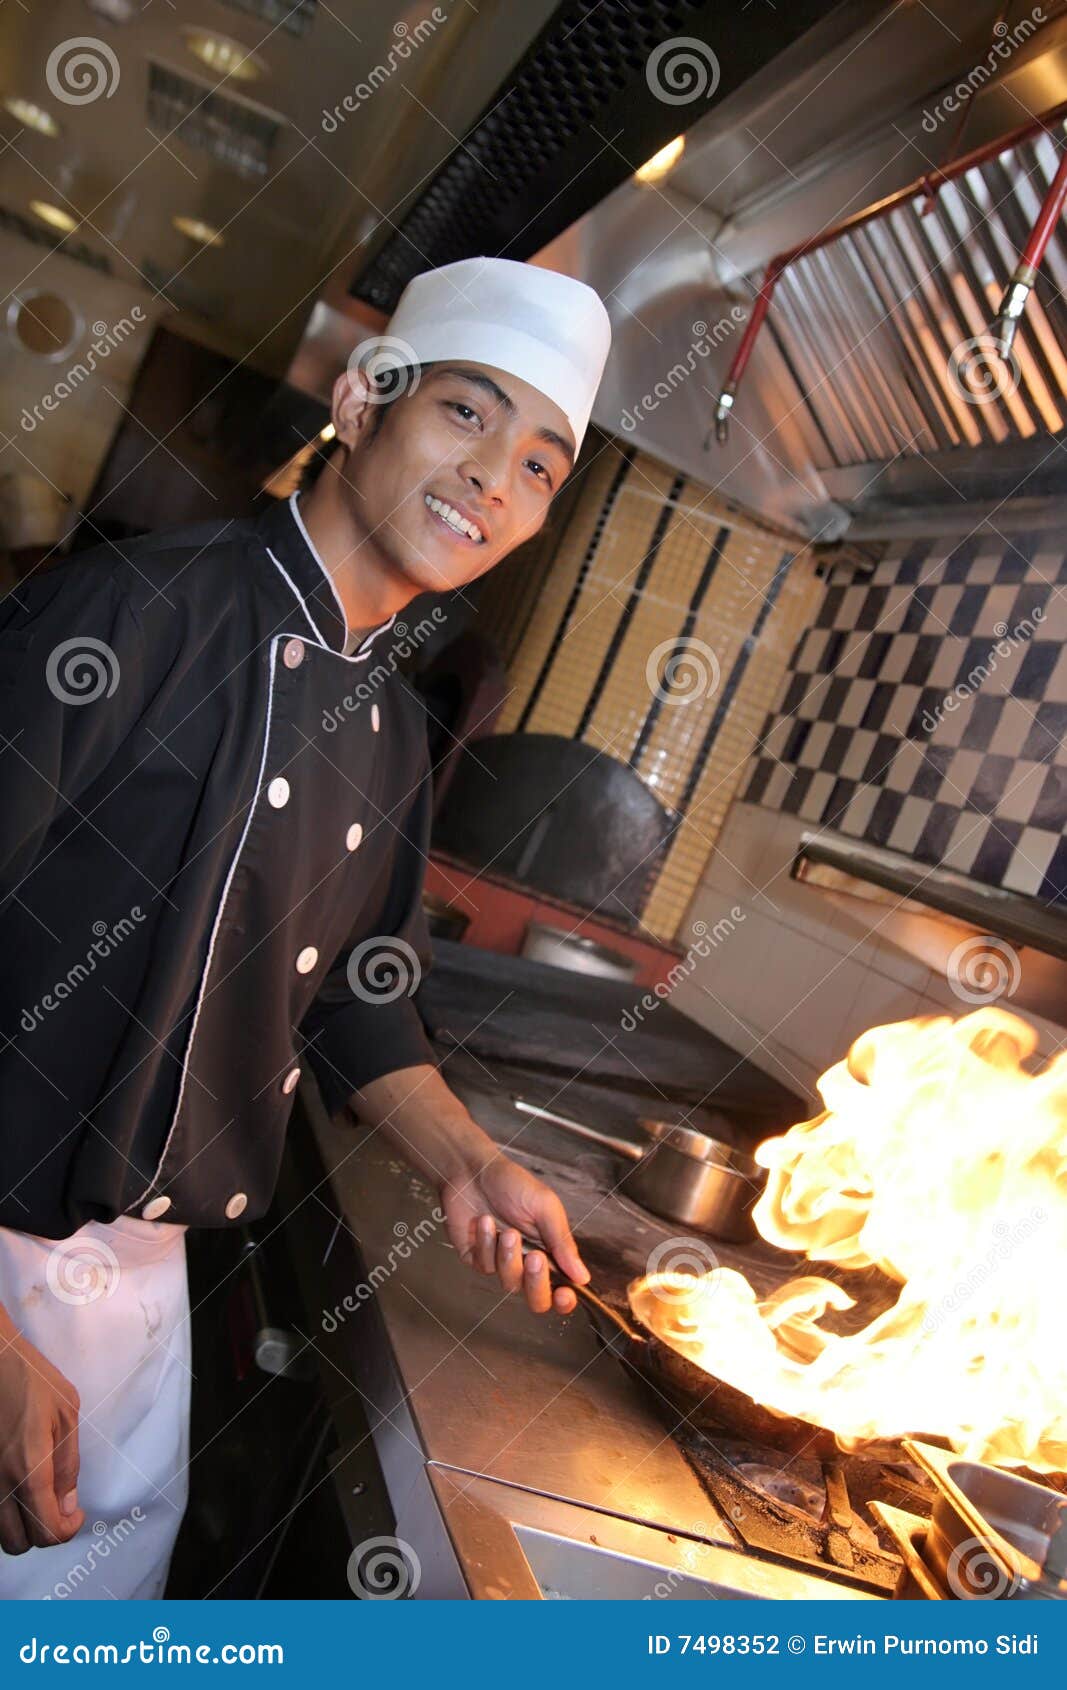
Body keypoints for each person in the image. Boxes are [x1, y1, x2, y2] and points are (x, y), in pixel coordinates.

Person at [0, 257, 612, 1598]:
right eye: (467, 413)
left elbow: (352, 1004)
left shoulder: (392, 736)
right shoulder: (129, 615)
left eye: (541, 464)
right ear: (359, 400)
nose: (494, 477)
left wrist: (467, 1161)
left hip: (149, 1288)